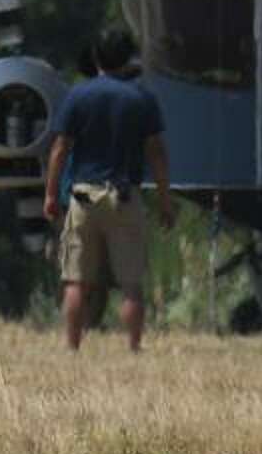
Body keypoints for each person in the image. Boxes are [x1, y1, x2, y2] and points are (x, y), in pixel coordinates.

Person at [41, 25, 175, 354]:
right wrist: (164, 198)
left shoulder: (78, 95)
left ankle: (72, 347)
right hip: (124, 196)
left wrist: (50, 194)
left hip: (83, 197)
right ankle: (133, 346)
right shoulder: (142, 98)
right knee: (131, 283)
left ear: (97, 57)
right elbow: (156, 152)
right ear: (128, 58)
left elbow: (60, 149)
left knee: (76, 280)